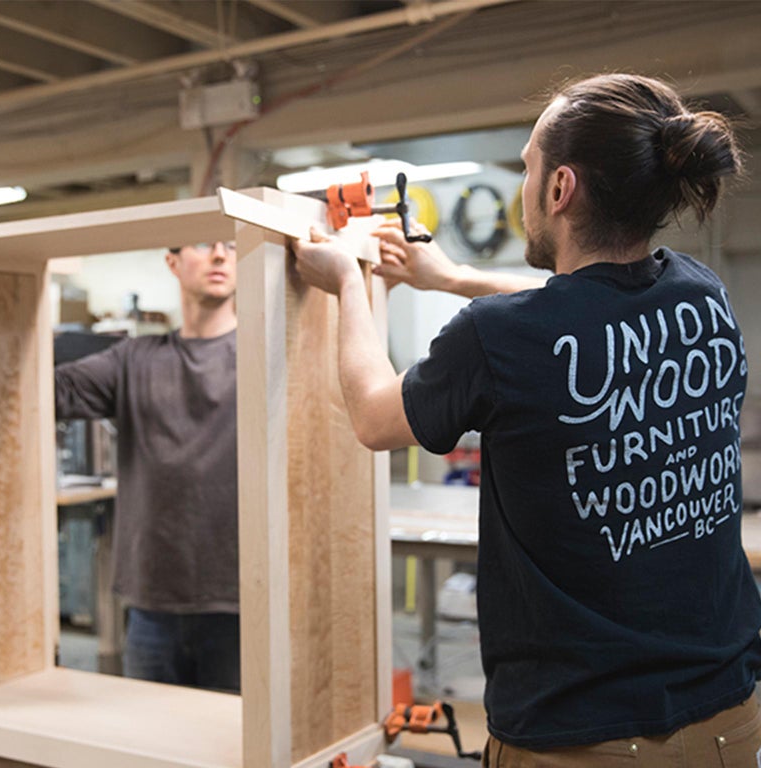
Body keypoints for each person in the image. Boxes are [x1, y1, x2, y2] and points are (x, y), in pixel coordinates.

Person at [292, 74, 761, 766]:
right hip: (731, 720)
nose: (522, 183)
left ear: (559, 189)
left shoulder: (495, 337)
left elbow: (371, 415)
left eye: (526, 167)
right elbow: (575, 305)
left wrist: (350, 286)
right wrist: (452, 278)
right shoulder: (699, 290)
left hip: (582, 741)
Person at [55, 240, 240, 693]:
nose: (219, 255)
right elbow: (45, 389)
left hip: (240, 600)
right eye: (202, 243)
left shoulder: (268, 353)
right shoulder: (134, 359)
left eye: (231, 245)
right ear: (172, 262)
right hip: (153, 602)